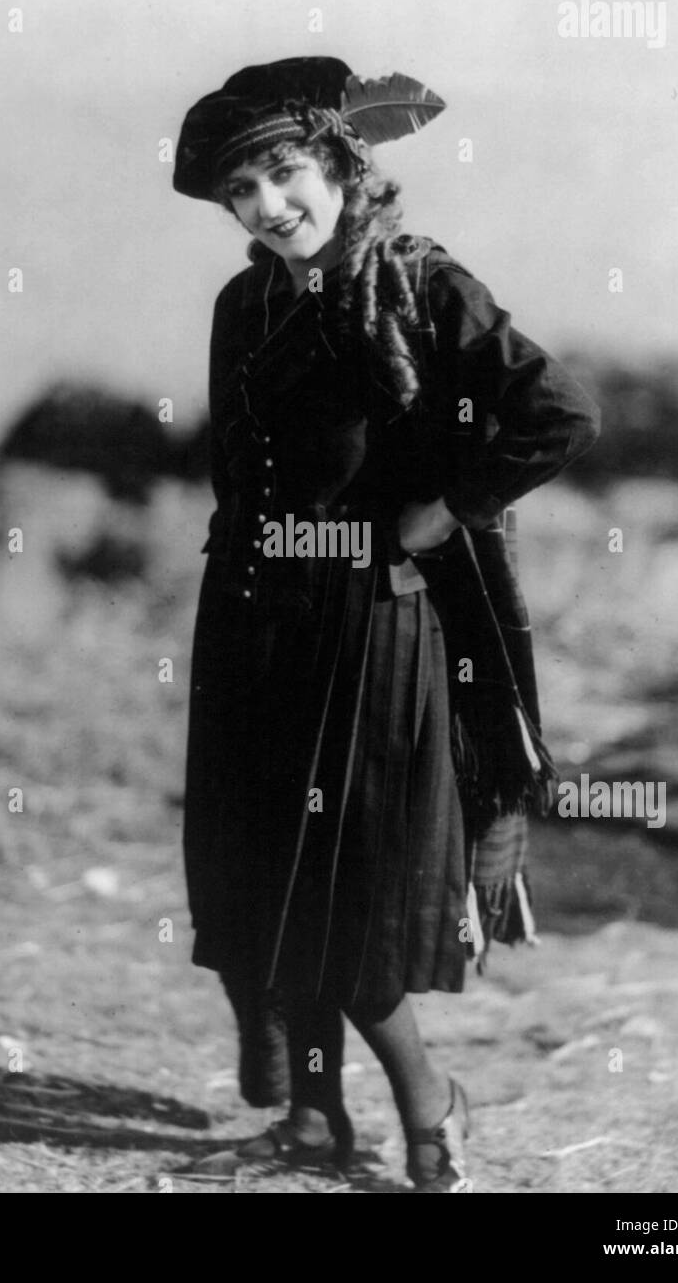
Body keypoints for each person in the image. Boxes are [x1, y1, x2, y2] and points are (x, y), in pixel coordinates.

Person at [172, 57, 600, 1192]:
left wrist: (443, 507)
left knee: (349, 899)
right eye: (241, 194)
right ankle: (316, 1119)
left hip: (375, 626)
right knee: (261, 877)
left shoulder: (416, 281)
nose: (268, 207)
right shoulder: (243, 303)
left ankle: (427, 1101)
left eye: (283, 172)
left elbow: (556, 410)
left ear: (340, 164)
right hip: (257, 622)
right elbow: (234, 478)